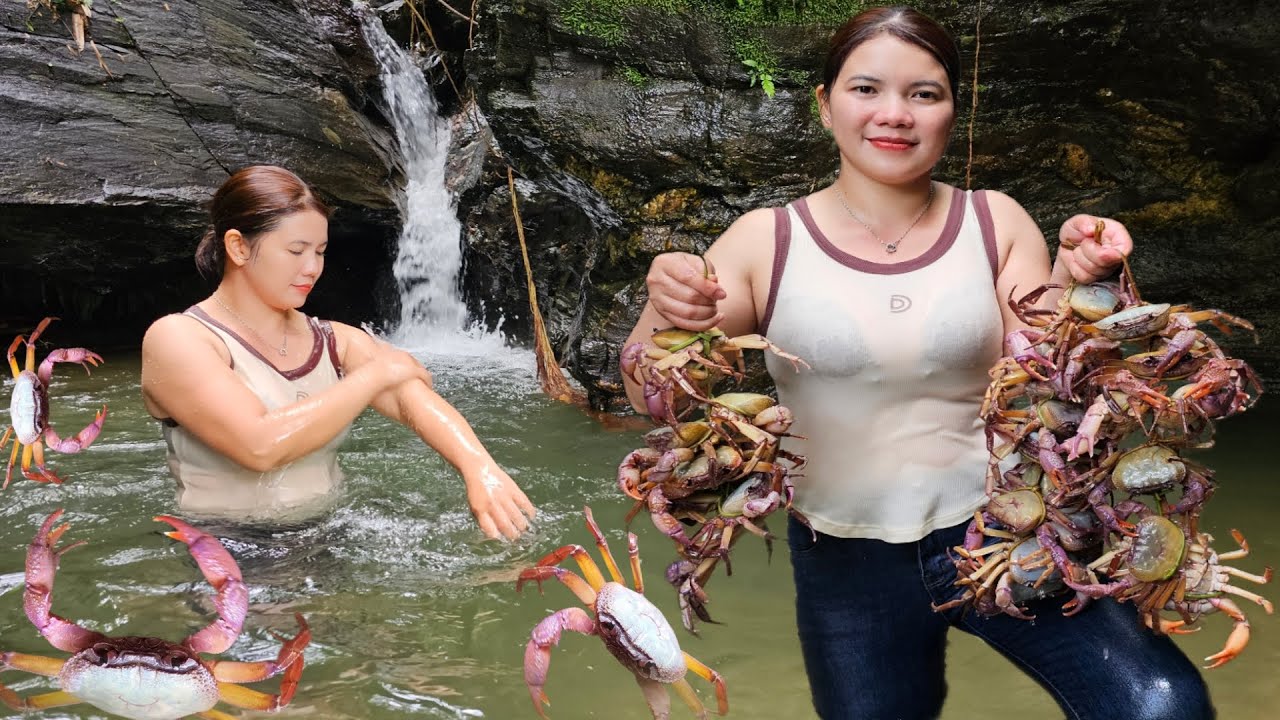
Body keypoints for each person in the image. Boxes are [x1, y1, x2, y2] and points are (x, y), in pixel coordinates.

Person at [622, 7, 1213, 720]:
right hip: (846, 561)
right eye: (866, 89)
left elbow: (1049, 367)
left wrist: (1076, 269)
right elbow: (655, 396)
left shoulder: (995, 221)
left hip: (1009, 527)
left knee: (1162, 705)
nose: (894, 115)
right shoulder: (763, 241)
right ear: (825, 104)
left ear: (952, 110)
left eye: (924, 94)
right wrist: (666, 307)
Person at [142, 165, 536, 541]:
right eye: (296, 251)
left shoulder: (335, 340)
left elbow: (410, 395)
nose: (313, 268)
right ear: (238, 247)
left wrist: (479, 467)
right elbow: (259, 445)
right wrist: (375, 375)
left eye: (320, 251)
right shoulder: (179, 338)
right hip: (230, 550)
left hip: (330, 534)